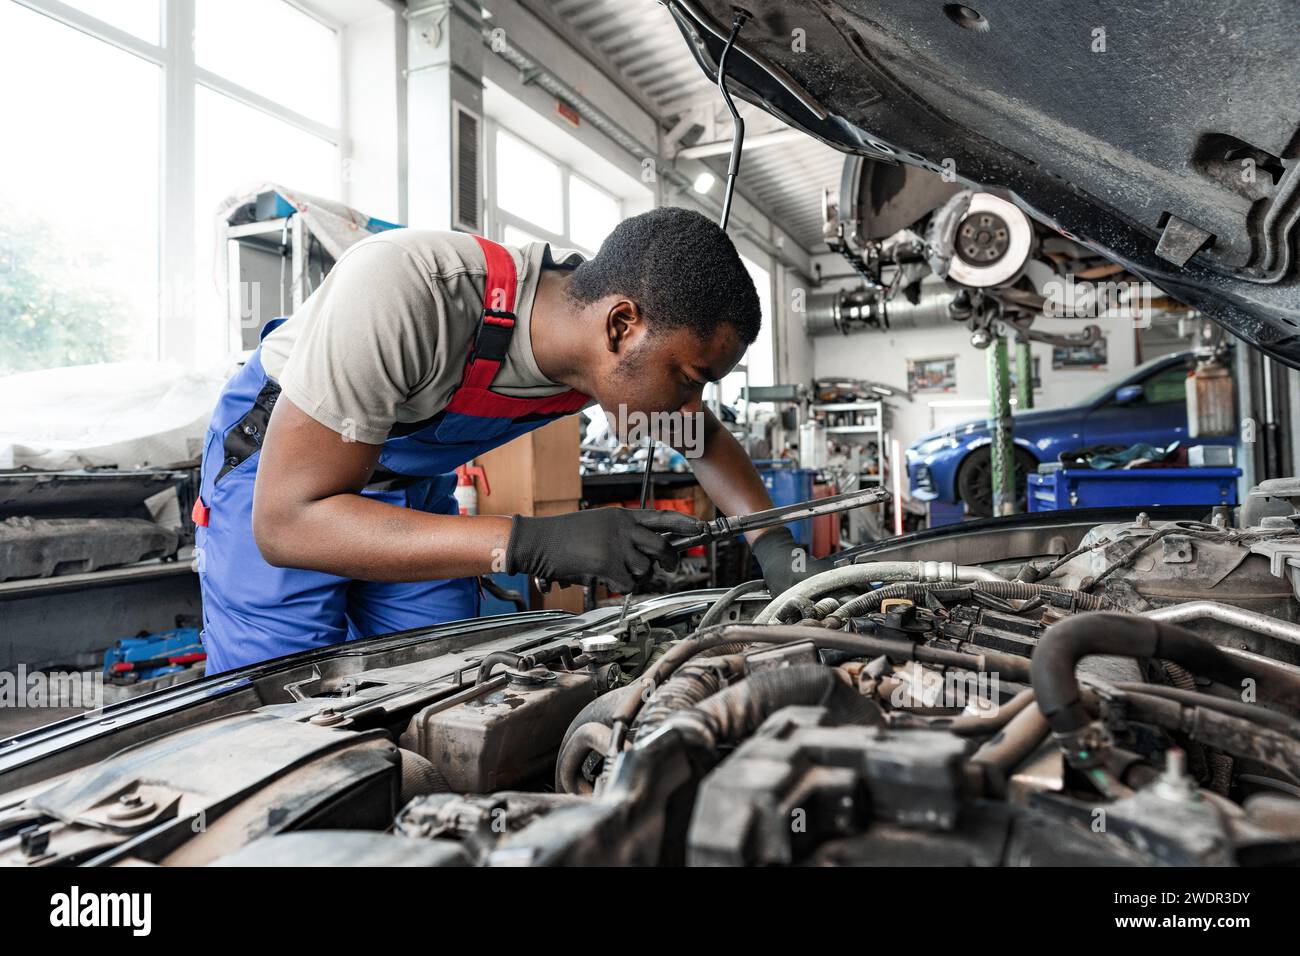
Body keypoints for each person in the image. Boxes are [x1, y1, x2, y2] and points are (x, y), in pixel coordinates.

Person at [194, 206, 809, 673]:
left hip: (404, 487)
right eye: (689, 378)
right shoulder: (411, 292)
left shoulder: (595, 347)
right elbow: (285, 525)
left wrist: (778, 549)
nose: (689, 406)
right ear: (622, 326)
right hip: (274, 478)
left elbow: (702, 441)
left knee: (450, 679)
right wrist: (532, 543)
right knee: (281, 710)